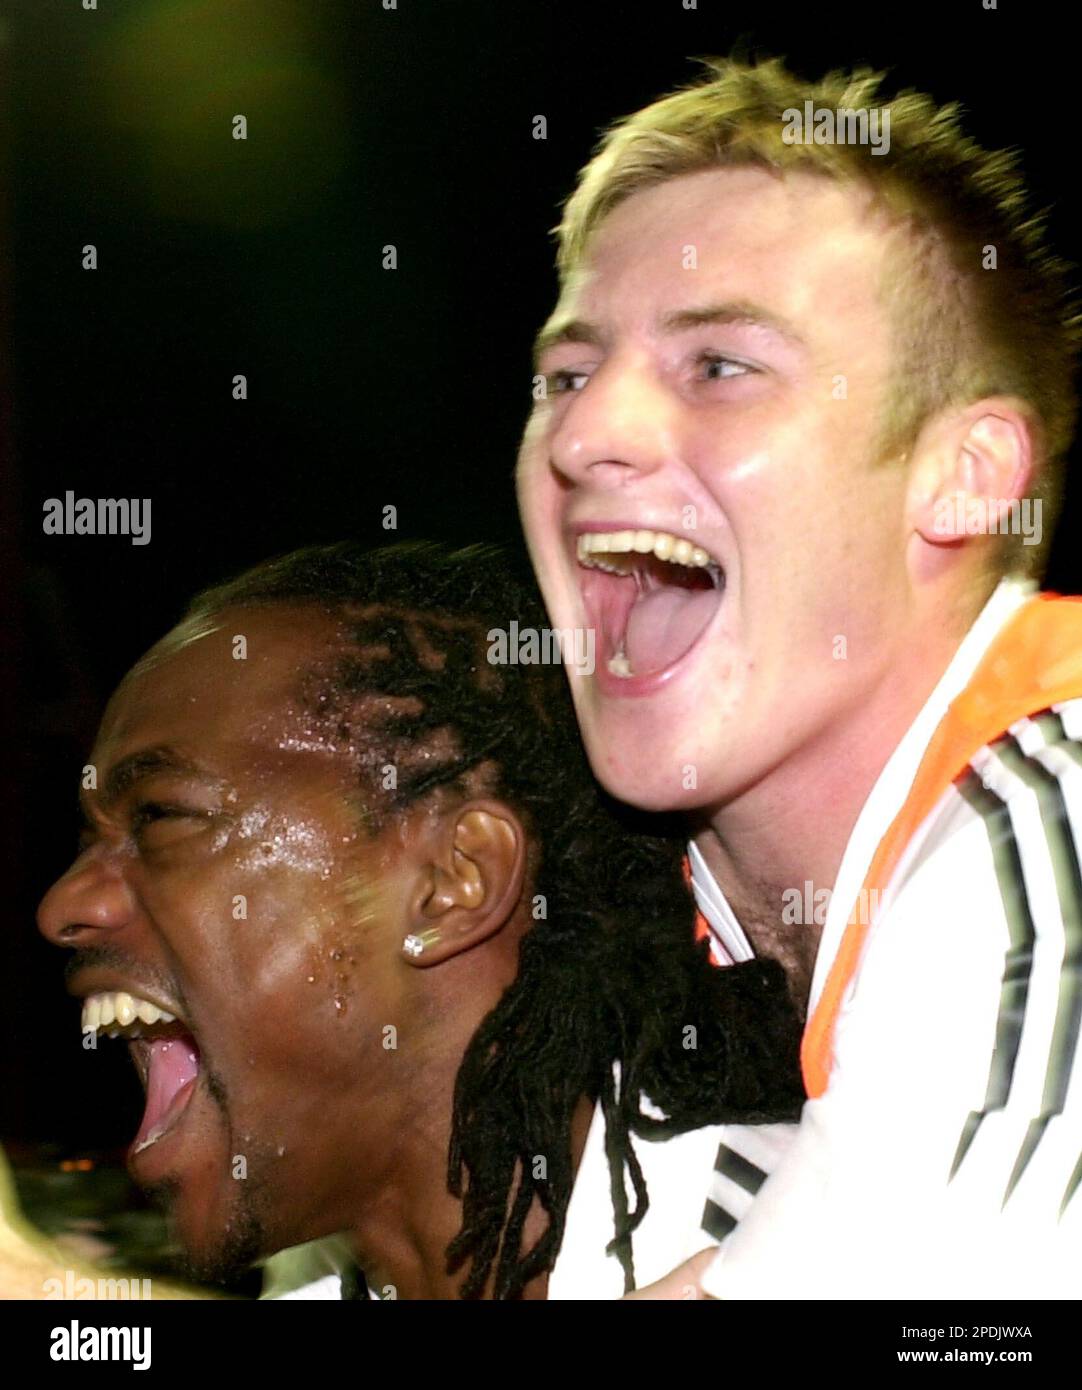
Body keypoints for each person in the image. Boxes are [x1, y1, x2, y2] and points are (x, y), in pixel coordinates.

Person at [517, 55, 1082, 1297]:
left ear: (963, 475)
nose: (581, 433)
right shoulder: (642, 914)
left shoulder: (1055, 827)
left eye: (718, 365)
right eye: (563, 375)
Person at [35, 541, 802, 1300]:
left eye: (163, 817)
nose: (64, 907)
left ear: (452, 879)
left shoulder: (836, 1243)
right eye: (89, 841)